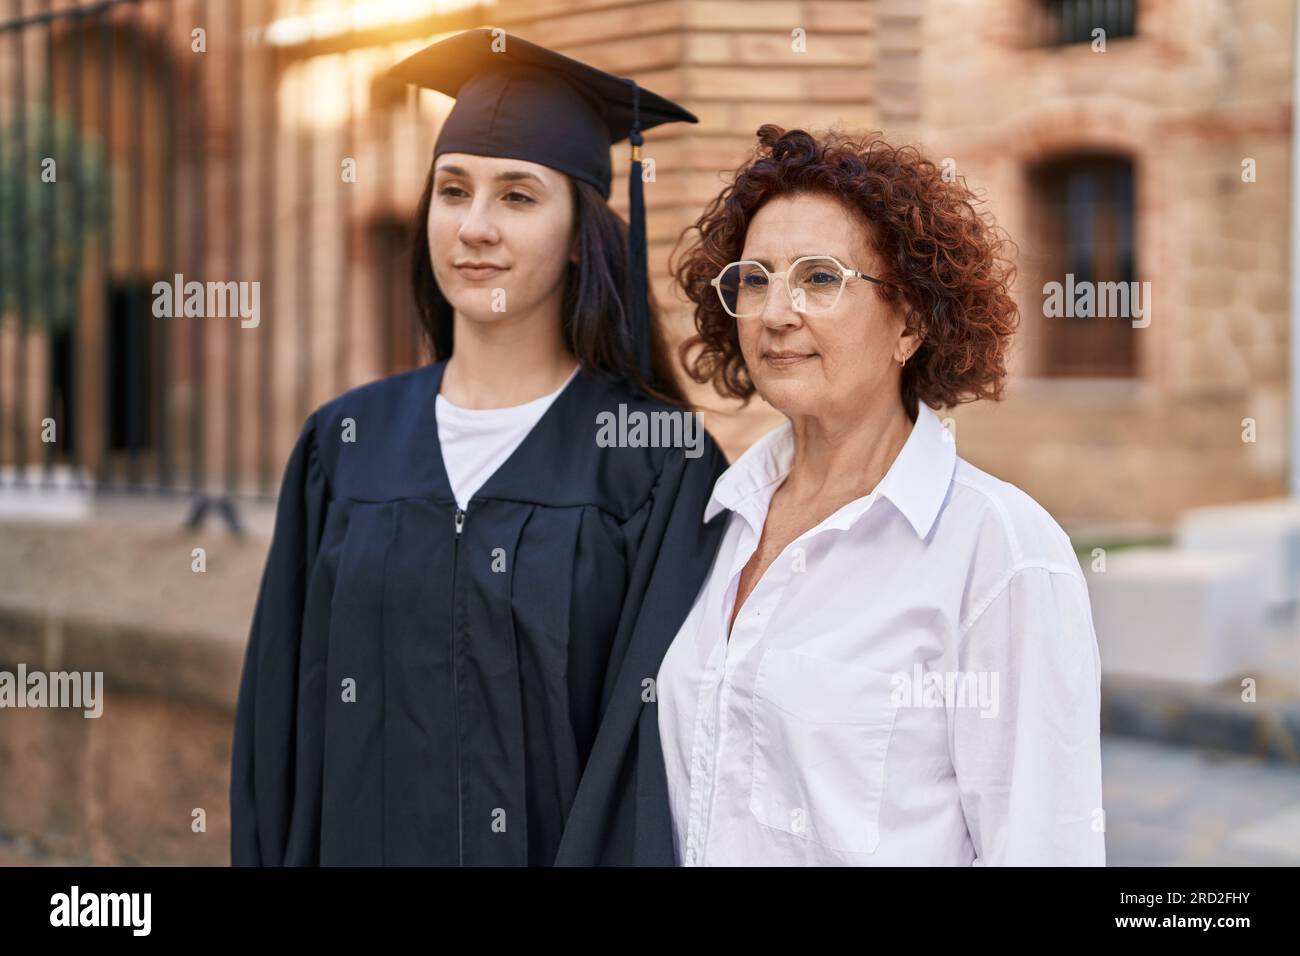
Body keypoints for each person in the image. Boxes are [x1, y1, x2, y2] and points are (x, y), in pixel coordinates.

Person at [230, 29, 728, 866]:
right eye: (452, 190)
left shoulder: (655, 460)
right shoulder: (344, 445)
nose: (475, 226)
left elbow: (656, 751)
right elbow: (279, 721)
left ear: (580, 232)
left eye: (519, 197)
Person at [656, 125, 1106, 865]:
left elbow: (1042, 846)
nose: (775, 313)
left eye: (821, 278)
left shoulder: (1000, 556)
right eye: (755, 278)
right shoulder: (715, 517)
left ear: (912, 321)